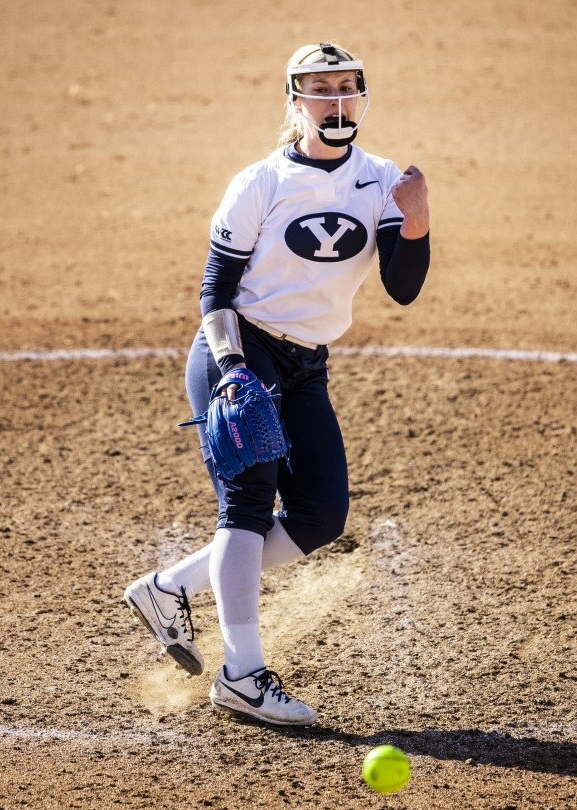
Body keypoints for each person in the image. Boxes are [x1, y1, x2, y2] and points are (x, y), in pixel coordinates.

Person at [124, 41, 431, 726]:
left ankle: (167, 587)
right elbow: (215, 293)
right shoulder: (259, 183)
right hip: (240, 350)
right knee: (249, 498)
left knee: (322, 514)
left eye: (348, 85)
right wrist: (233, 369)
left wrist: (417, 219)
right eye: (321, 89)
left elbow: (402, 287)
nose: (337, 100)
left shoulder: (380, 179)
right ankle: (242, 673)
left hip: (306, 364)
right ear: (295, 102)